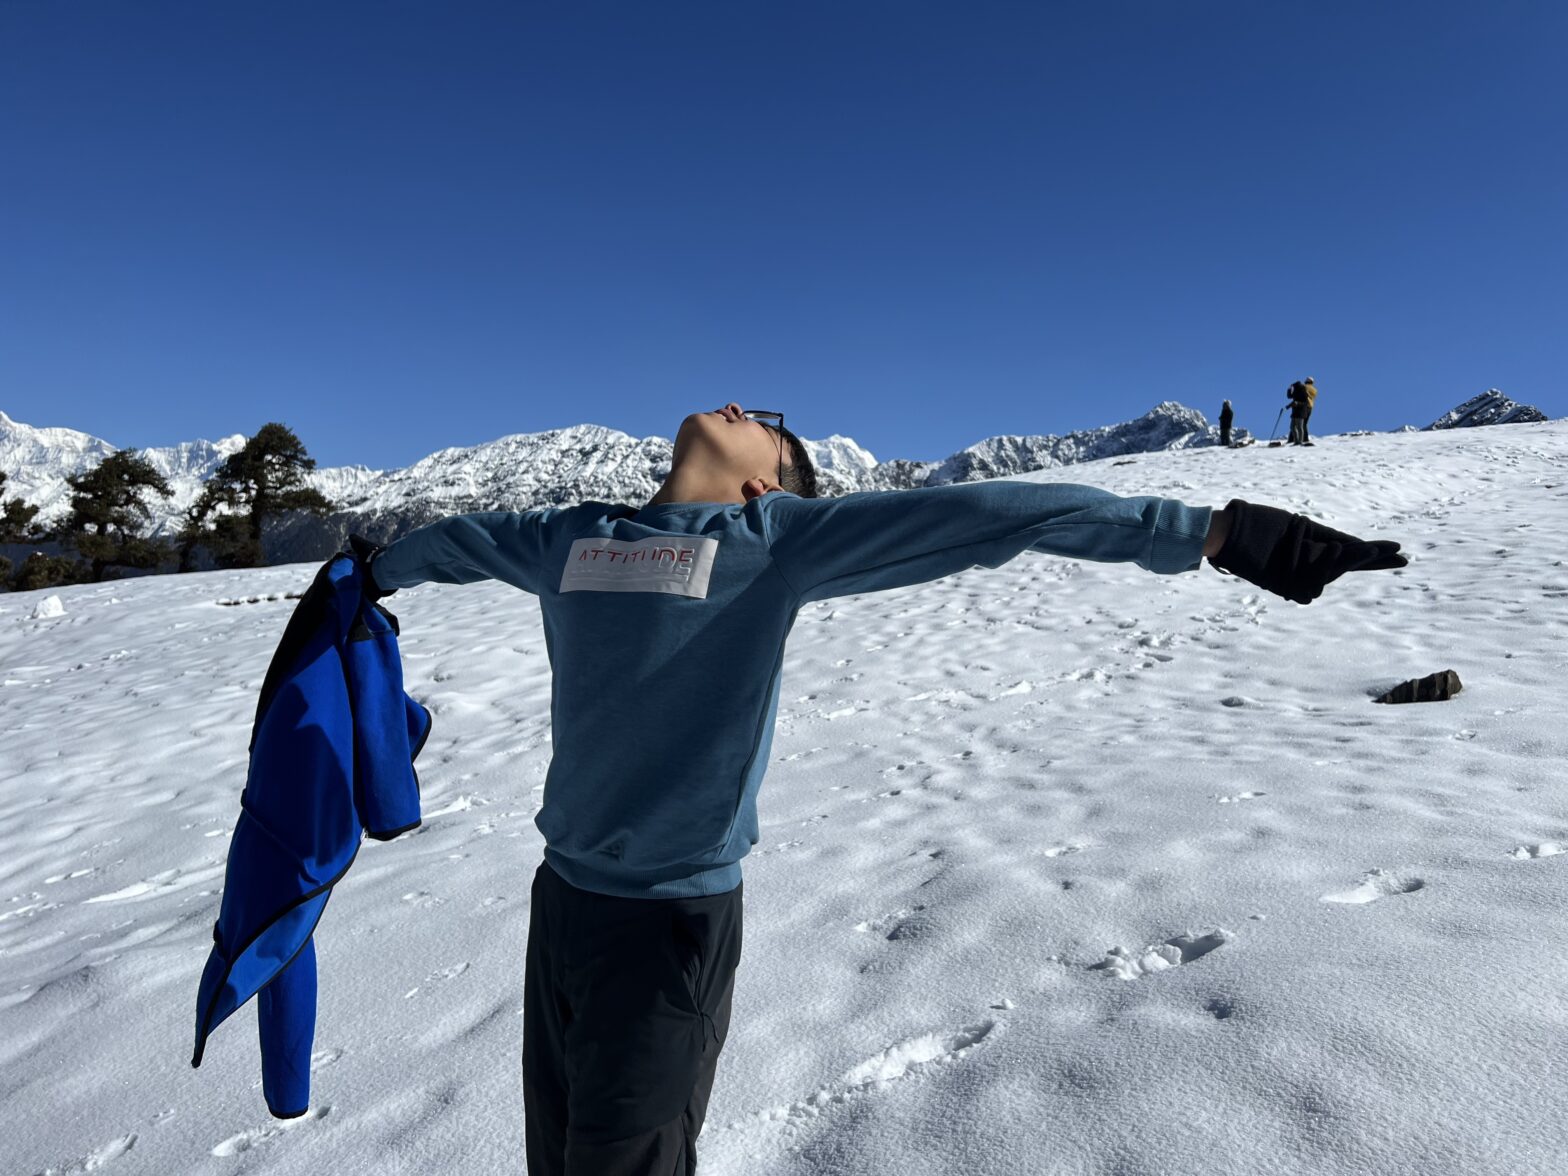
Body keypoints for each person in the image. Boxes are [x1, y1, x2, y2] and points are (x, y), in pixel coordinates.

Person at [365, 403, 1405, 1175]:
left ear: (763, 486)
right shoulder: (567, 540)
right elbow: (444, 547)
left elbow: (1001, 515)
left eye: (763, 428)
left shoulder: (770, 545)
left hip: (668, 921)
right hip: (564, 905)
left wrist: (1221, 533)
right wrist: (365, 578)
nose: (741, 410)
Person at [1287, 376, 1318, 445]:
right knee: (1304, 424)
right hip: (1310, 407)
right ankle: (1305, 438)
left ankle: (1293, 439)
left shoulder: (1303, 387)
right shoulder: (1314, 390)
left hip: (1302, 407)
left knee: (1297, 424)